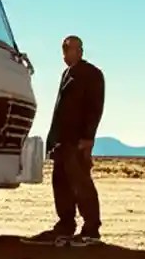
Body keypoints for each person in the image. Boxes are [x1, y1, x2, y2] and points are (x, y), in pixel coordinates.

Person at [23, 35, 106, 247]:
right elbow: (60, 111)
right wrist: (52, 140)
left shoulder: (91, 74)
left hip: (77, 140)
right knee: (61, 184)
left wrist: (88, 137)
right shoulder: (67, 74)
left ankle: (91, 230)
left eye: (76, 49)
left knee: (81, 183)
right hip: (62, 141)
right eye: (67, 49)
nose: (72, 53)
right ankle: (65, 225)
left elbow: (95, 107)